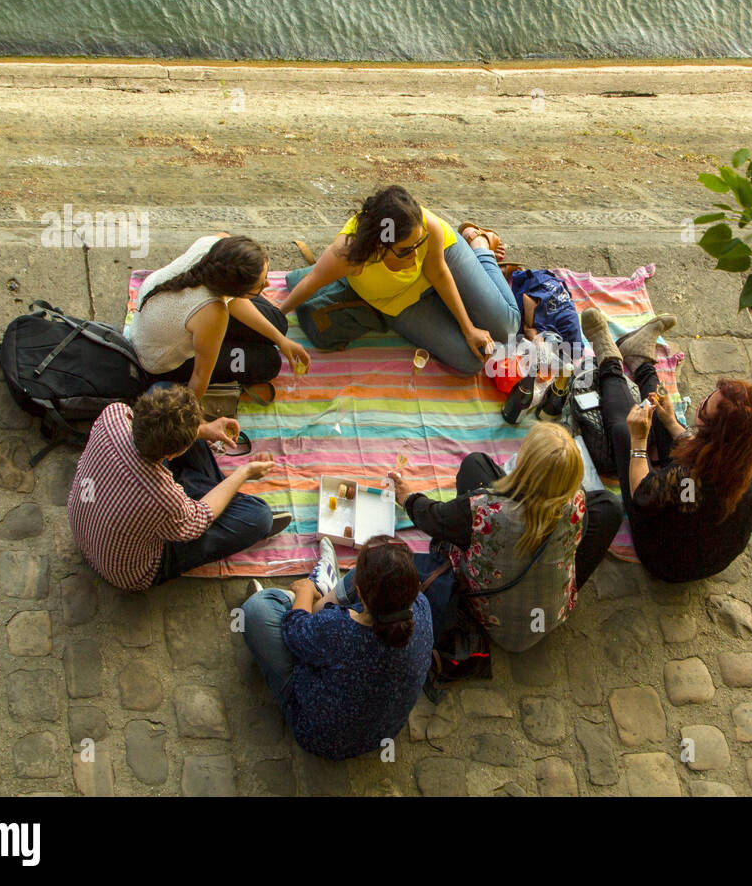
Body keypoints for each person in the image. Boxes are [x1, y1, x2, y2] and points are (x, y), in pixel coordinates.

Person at [360, 422, 622, 652]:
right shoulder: (576, 504)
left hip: (492, 619)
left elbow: (435, 518)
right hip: (546, 618)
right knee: (611, 507)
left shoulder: (482, 510)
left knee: (474, 464)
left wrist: (406, 496)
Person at [580, 308, 752, 582]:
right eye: (706, 400)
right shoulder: (744, 451)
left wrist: (640, 442)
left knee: (626, 434)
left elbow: (641, 492)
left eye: (703, 413)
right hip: (708, 545)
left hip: (668, 561)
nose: (699, 407)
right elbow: (698, 446)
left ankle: (609, 362)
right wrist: (671, 424)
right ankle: (641, 360)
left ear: (716, 433)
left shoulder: (688, 479)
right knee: (663, 414)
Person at [67, 383, 288, 593]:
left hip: (85, 525)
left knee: (161, 388)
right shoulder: (163, 496)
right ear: (171, 456)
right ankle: (212, 491)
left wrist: (203, 430)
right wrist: (244, 473)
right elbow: (201, 517)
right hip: (126, 571)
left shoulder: (113, 415)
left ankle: (201, 485)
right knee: (259, 517)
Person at [280, 186, 519, 374]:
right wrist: (277, 317)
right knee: (472, 361)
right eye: (405, 250)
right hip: (399, 300)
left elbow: (437, 271)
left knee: (508, 328)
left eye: (418, 243)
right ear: (378, 244)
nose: (415, 255)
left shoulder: (428, 228)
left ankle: (479, 244)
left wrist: (468, 328)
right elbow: (312, 280)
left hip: (442, 260)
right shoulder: (348, 254)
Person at [240, 536, 433, 760]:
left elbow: (294, 629)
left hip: (321, 738)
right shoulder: (422, 607)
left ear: (360, 594)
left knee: (256, 610)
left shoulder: (340, 630)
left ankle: (316, 587)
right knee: (377, 571)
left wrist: (304, 589)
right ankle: (322, 593)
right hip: (383, 733)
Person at [126, 234, 310, 399]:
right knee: (269, 361)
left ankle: (273, 333)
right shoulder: (213, 313)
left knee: (277, 324)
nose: (269, 284)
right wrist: (195, 423)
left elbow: (232, 300)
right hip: (160, 362)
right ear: (235, 290)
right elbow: (199, 376)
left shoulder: (215, 244)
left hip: (172, 325)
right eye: (261, 286)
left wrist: (280, 339)